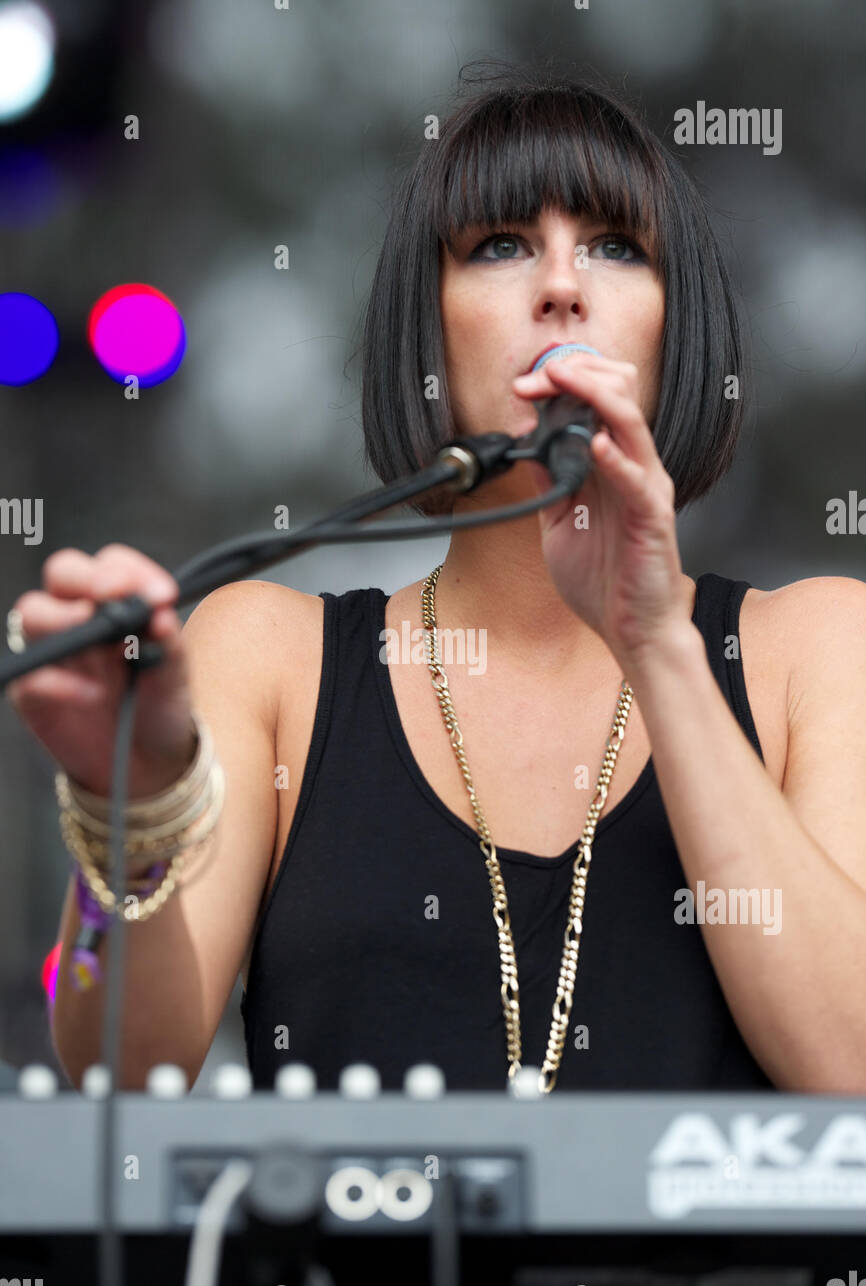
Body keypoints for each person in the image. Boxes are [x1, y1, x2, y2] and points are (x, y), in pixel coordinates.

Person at [6, 66, 866, 1096]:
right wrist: (130, 800)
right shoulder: (268, 657)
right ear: (428, 327)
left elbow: (849, 1070)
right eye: (499, 245)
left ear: (674, 331)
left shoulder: (815, 648)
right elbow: (123, 1066)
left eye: (614, 246)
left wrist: (655, 641)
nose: (560, 284)